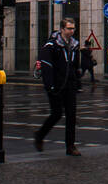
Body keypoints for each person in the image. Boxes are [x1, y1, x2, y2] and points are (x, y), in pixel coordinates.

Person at [35, 18, 82, 155]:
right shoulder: (51, 45)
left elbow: (75, 66)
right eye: (69, 29)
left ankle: (70, 146)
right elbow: (46, 66)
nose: (71, 31)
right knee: (56, 114)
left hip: (69, 84)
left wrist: (77, 83)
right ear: (62, 29)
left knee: (71, 115)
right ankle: (40, 135)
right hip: (56, 85)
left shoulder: (74, 45)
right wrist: (50, 86)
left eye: (73, 28)